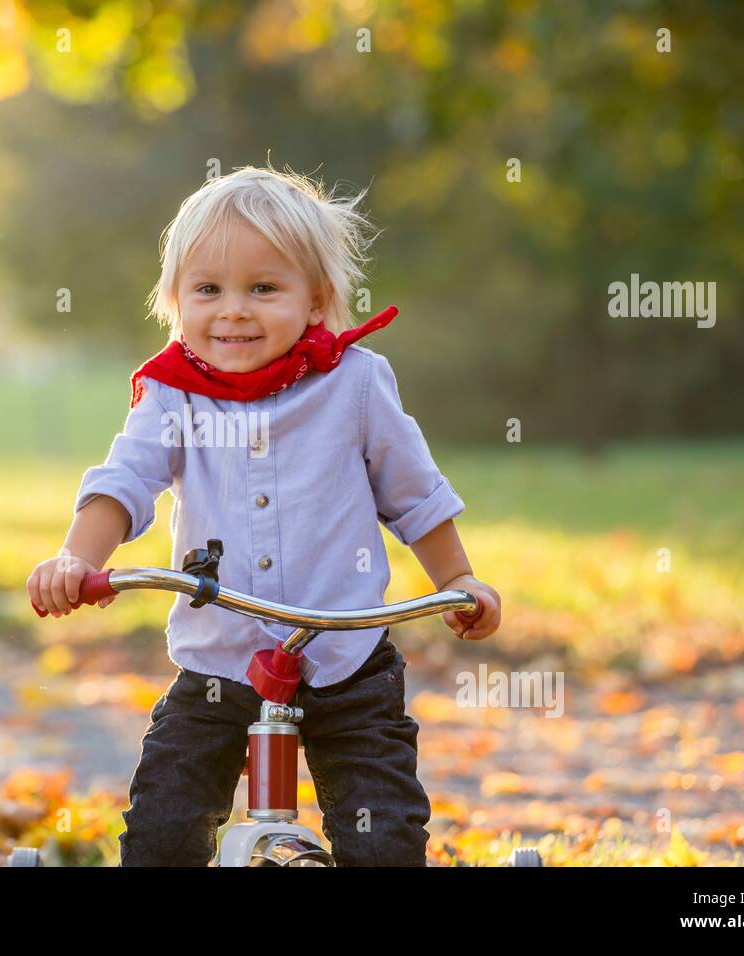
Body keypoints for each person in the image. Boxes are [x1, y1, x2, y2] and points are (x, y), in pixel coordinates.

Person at [27, 164, 501, 866]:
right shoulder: (172, 397)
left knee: (384, 840)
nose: (234, 311)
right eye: (208, 290)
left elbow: (415, 492)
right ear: (175, 301)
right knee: (162, 832)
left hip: (348, 662)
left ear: (317, 300)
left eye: (264, 289)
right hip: (219, 662)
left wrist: (460, 578)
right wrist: (77, 559)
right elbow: (124, 482)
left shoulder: (355, 384)